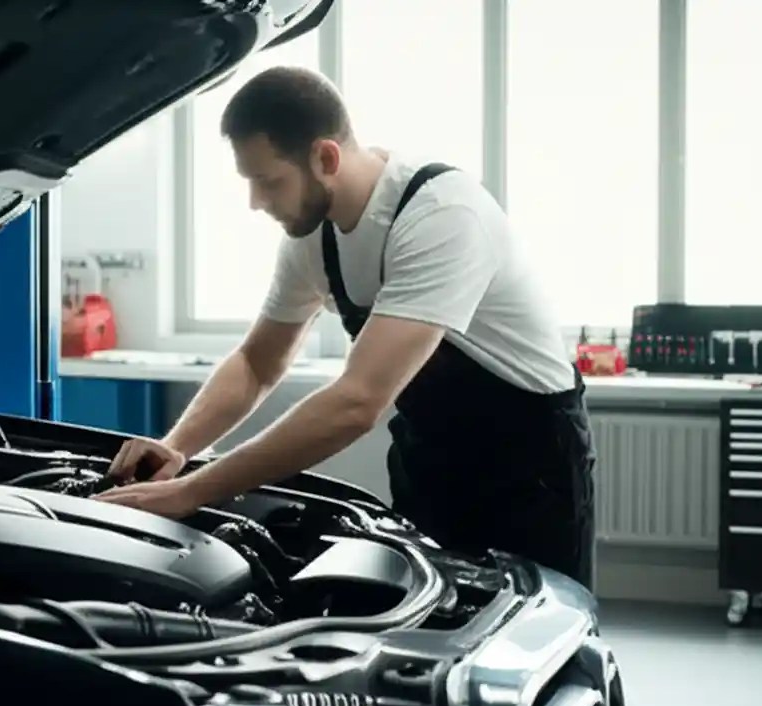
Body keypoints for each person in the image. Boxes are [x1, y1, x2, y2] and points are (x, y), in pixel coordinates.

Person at [95, 66, 596, 588]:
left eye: (267, 181)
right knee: (429, 629)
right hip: (431, 456)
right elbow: (256, 362)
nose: (256, 202)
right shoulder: (311, 238)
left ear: (326, 157)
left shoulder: (441, 216)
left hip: (530, 467)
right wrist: (178, 450)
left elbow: (358, 402)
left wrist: (191, 492)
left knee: (538, 643)